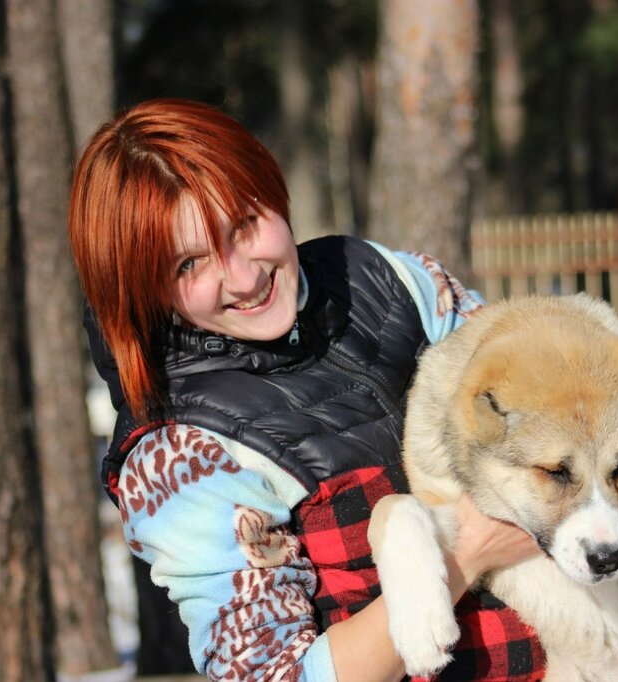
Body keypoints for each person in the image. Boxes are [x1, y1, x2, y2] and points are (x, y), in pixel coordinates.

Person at [69, 98, 544, 681]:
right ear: (145, 291)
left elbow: (561, 412)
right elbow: (277, 675)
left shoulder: (387, 282)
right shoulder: (182, 456)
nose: (244, 278)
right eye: (189, 265)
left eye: (243, 225)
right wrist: (467, 552)